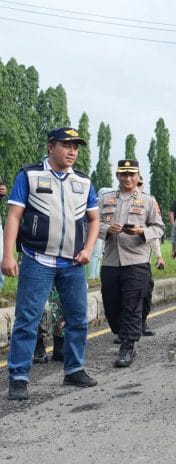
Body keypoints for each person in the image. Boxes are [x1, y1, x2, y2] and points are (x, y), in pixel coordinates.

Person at [3, 127, 100, 400]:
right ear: (50, 147)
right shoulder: (30, 176)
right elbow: (13, 217)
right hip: (37, 260)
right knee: (27, 320)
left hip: (73, 263)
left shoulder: (83, 181)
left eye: (76, 147)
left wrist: (89, 248)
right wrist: (8, 254)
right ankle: (19, 377)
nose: (72, 151)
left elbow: (94, 220)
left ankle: (74, 369)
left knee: (78, 318)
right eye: (66, 145)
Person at [99, 159, 165, 368]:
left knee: (132, 305)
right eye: (123, 174)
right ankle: (122, 333)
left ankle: (127, 346)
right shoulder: (105, 198)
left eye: (131, 175)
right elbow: (91, 223)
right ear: (117, 176)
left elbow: (159, 228)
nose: (127, 178)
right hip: (110, 260)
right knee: (111, 304)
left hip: (136, 260)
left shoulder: (148, 200)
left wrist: (142, 232)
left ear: (137, 177)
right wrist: (107, 229)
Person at [137, 176, 165, 336]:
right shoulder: (115, 200)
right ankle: (124, 330)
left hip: (142, 258)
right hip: (119, 259)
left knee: (146, 292)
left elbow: (154, 232)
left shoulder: (149, 202)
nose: (137, 186)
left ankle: (142, 322)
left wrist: (159, 256)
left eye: (140, 183)